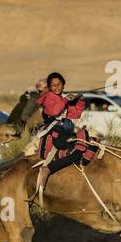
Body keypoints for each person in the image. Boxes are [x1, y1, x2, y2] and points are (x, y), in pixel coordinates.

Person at [32, 71, 95, 205]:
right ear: (49, 87)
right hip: (54, 136)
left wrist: (80, 101)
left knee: (89, 141)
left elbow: (76, 114)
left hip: (65, 134)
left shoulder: (63, 99)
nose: (56, 87)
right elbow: (54, 111)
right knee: (77, 149)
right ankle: (48, 169)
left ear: (63, 85)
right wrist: (66, 99)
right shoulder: (49, 98)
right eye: (53, 85)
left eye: (59, 84)